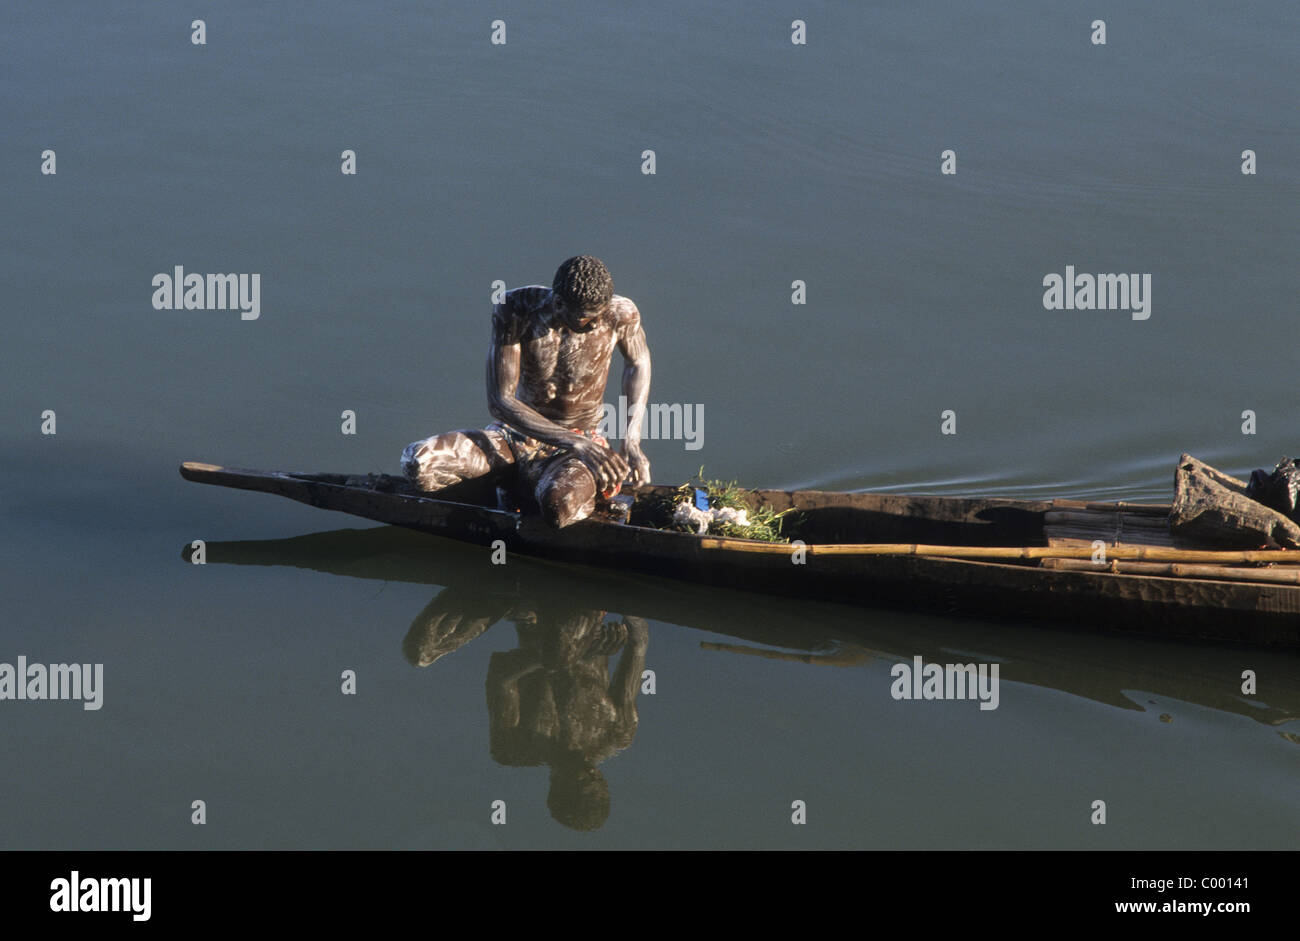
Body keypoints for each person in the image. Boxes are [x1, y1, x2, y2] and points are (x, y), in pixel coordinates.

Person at [401, 256, 651, 528]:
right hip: (513, 437)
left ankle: (561, 493)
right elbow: (500, 402)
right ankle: (506, 485)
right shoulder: (516, 309)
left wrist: (631, 438)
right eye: (586, 319)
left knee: (557, 507)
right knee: (418, 464)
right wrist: (574, 441)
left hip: (577, 446)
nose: (595, 325)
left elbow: (638, 362)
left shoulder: (620, 314)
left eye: (600, 315)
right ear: (558, 304)